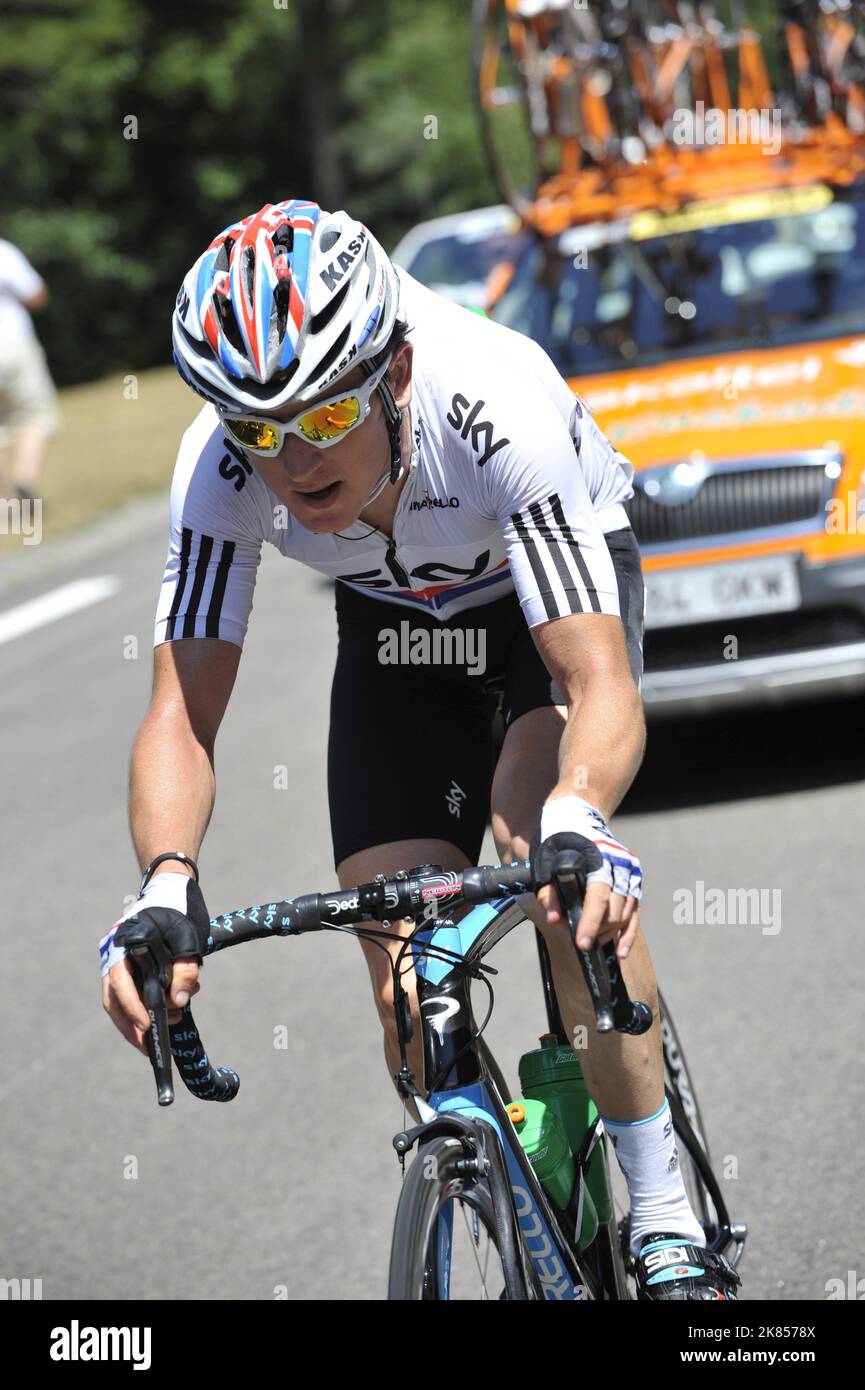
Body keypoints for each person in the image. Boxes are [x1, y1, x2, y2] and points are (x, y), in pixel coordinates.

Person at [100, 199, 739, 1300]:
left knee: (545, 856)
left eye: (322, 414)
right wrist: (162, 883)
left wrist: (579, 815)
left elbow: (594, 682)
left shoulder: (491, 395)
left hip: (546, 603)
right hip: (396, 630)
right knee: (400, 956)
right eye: (259, 428)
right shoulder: (222, 468)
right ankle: (481, 1172)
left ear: (393, 372)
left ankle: (665, 1217)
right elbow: (180, 714)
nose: (292, 460)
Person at [0, 238, 59, 501]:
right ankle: (24, 479)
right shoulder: (3, 251)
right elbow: (35, 295)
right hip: (13, 345)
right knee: (34, 415)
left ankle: (5, 502)